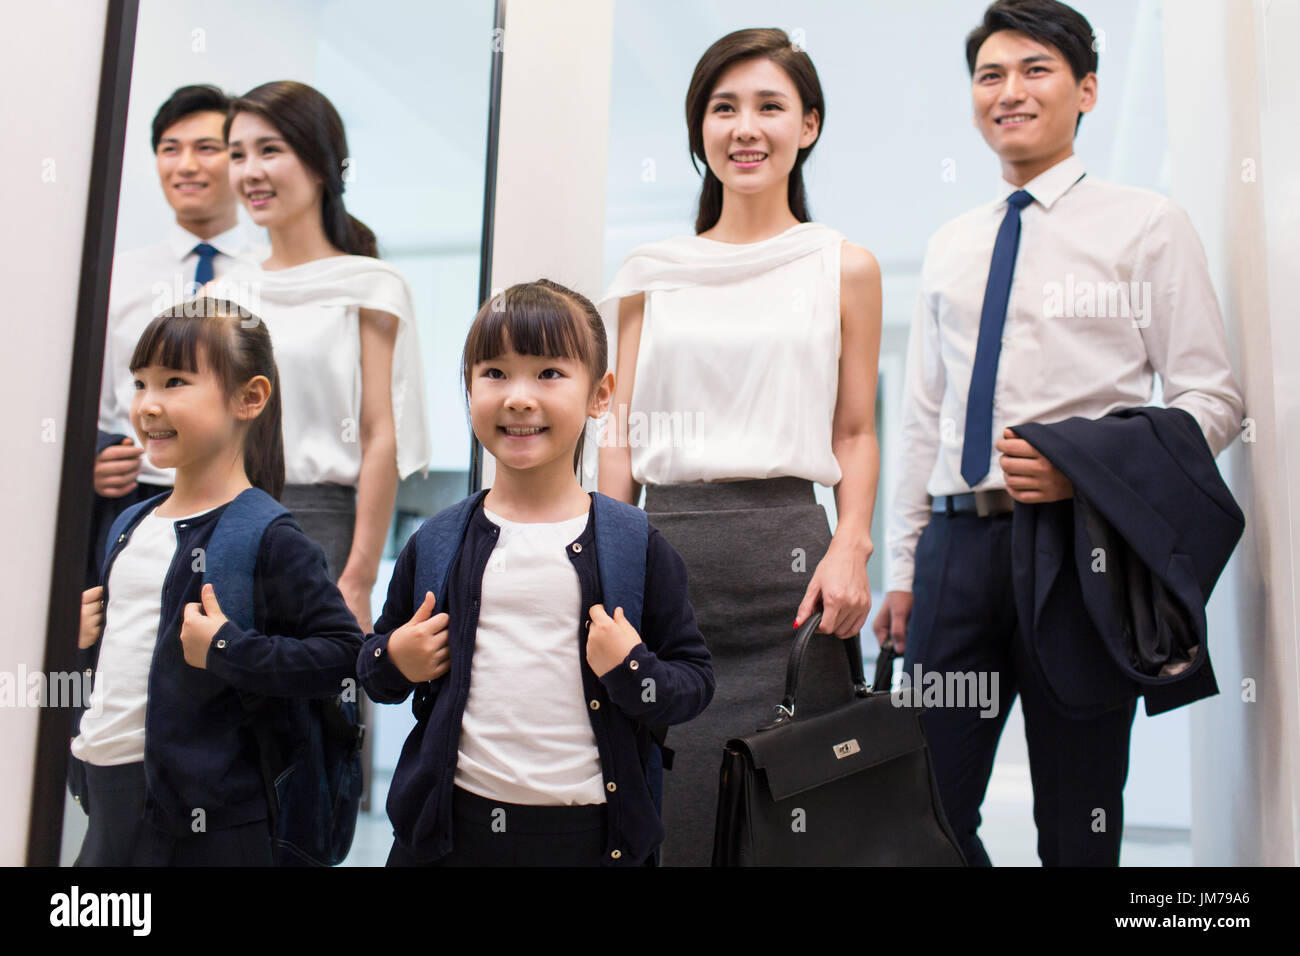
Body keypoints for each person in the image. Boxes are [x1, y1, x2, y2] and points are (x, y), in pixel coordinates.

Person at [873, 0, 1245, 867]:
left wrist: (1089, 471)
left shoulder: (1147, 224)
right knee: (921, 813)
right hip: (954, 555)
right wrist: (901, 569)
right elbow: (923, 417)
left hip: (1080, 556)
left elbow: (1212, 398)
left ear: (1086, 90)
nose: (1009, 91)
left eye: (1035, 70)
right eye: (990, 74)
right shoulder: (951, 244)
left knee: (1078, 822)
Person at [597, 27, 882, 866]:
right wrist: (609, 569)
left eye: (769, 106)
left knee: (798, 824)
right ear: (700, 131)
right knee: (675, 820)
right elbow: (622, 436)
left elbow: (855, 430)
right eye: (723, 108)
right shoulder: (651, 270)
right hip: (667, 566)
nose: (745, 127)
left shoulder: (843, 265)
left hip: (796, 578)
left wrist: (853, 546)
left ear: (809, 126)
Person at [357, 280, 715, 867]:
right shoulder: (438, 541)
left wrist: (633, 669)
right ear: (468, 390)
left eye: (549, 373)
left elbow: (694, 686)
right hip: (449, 835)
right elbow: (373, 670)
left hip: (592, 838)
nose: (519, 397)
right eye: (494, 372)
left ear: (601, 395)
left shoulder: (635, 544)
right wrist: (395, 657)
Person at [72, 299, 363, 866]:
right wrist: (82, 643)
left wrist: (228, 649)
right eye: (140, 384)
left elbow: (344, 656)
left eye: (175, 381)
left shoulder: (270, 535)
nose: (148, 405)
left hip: (210, 826)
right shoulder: (130, 523)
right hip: (107, 799)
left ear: (249, 397)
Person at [209, 80, 431, 630]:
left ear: (319, 162)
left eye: (269, 150)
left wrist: (358, 576)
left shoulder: (370, 285)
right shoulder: (222, 293)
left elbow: (381, 435)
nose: (249, 172)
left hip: (321, 527)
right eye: (237, 155)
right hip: (222, 519)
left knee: (317, 709)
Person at [91, 84, 266, 587]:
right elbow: (87, 401)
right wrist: (95, 456)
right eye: (170, 149)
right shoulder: (116, 273)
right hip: (131, 499)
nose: (185, 165)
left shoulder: (267, 278)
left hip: (235, 502)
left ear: (236, 162)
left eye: (206, 149)